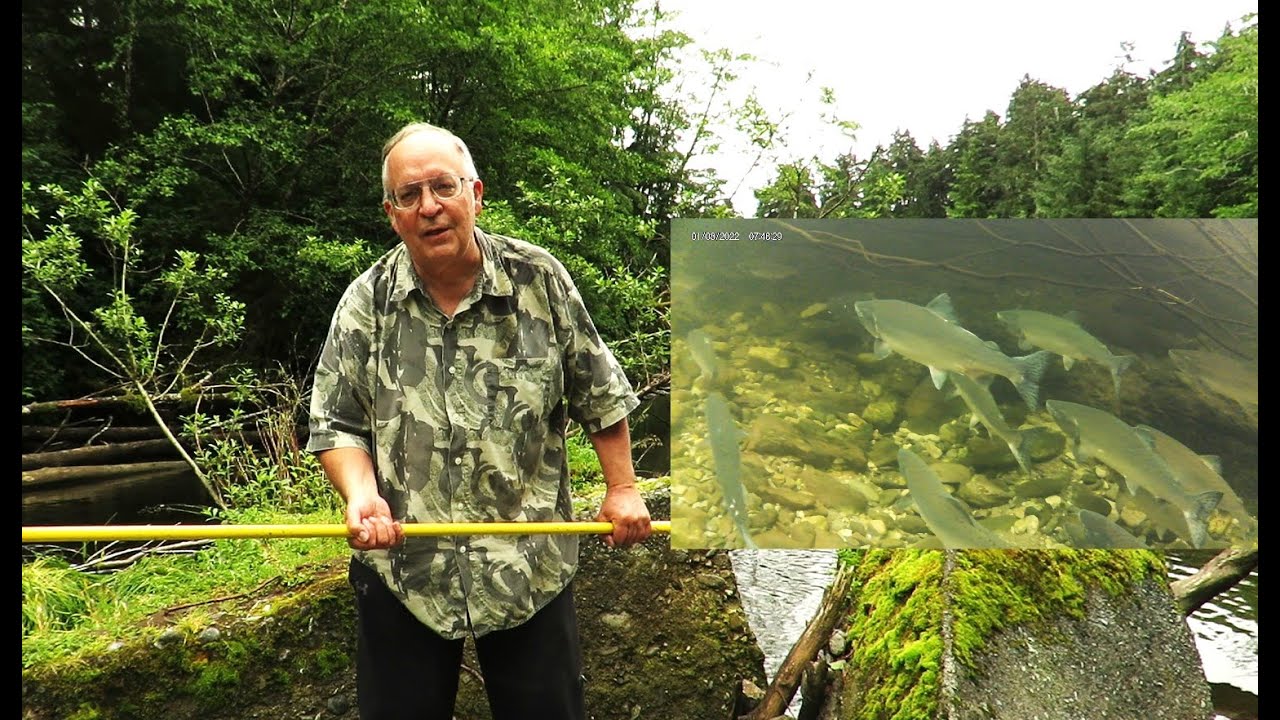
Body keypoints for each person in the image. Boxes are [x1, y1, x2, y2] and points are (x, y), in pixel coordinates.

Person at [306, 121, 653, 720]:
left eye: (443, 187)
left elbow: (598, 394)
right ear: (392, 214)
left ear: (475, 194)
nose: (430, 207)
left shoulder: (538, 278)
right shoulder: (366, 301)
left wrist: (622, 488)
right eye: (409, 195)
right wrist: (361, 495)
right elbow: (336, 423)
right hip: (403, 569)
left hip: (529, 561)